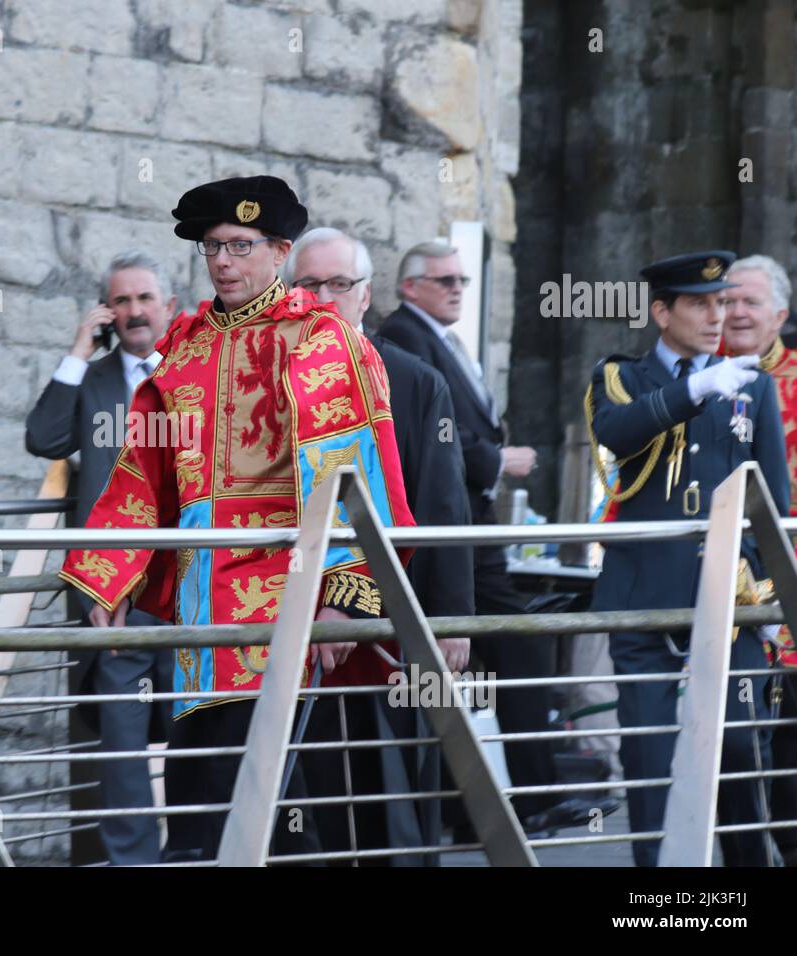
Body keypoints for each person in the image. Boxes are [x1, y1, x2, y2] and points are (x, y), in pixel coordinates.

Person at [58, 176, 414, 861]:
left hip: (290, 605)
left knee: (277, 801)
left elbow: (353, 481)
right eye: (212, 247)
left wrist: (341, 599)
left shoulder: (320, 340)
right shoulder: (185, 349)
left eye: (240, 246)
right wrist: (111, 574)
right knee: (199, 791)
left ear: (280, 250)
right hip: (199, 619)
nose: (222, 261)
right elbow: (144, 475)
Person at [378, 241, 597, 834]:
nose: (456, 288)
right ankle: (523, 797)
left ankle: (493, 803)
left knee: (491, 659)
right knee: (511, 647)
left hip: (473, 528)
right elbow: (428, 435)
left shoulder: (440, 340)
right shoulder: (401, 338)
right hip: (452, 531)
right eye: (444, 279)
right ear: (408, 287)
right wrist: (496, 460)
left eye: (462, 279)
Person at [586, 249, 789, 866]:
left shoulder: (751, 385)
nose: (716, 315)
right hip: (643, 593)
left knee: (738, 756)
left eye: (722, 302)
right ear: (661, 311)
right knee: (648, 757)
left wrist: (778, 597)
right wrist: (693, 388)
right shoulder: (621, 377)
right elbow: (616, 433)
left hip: (731, 598)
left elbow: (772, 502)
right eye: (700, 304)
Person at [287, 227, 472, 862]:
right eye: (308, 285)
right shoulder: (267, 380)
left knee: (394, 801)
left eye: (339, 285)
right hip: (293, 622)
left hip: (395, 625)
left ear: (365, 297)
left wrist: (449, 621)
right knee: (300, 804)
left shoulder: (415, 382)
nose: (323, 298)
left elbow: (444, 507)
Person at [25, 250, 177, 865]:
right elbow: (44, 438)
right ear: (106, 311)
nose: (135, 311)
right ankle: (130, 861)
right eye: (121, 301)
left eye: (145, 298)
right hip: (114, 597)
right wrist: (79, 350)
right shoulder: (93, 382)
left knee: (202, 731)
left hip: (195, 587)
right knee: (121, 743)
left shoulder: (205, 374)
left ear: (169, 304)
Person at [720, 253, 797, 867]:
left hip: (788, 597)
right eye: (727, 300)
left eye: (750, 302)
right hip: (718, 598)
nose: (737, 312)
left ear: (780, 314)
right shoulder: (691, 379)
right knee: (729, 765)